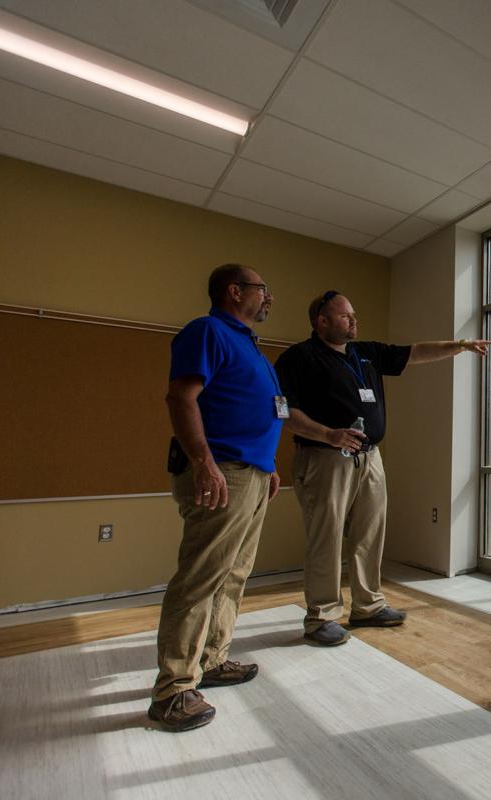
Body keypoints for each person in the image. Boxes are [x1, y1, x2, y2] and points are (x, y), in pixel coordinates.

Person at [274, 291, 491, 646]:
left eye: (354, 314)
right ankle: (321, 617)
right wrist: (328, 434)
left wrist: (461, 345)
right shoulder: (298, 358)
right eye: (345, 316)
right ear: (322, 321)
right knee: (326, 538)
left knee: (369, 534)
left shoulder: (366, 353)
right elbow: (285, 413)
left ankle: (367, 607)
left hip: (370, 457)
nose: (353, 321)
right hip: (325, 458)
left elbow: (415, 352)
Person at [148, 264, 285, 732]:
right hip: (221, 471)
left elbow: (264, 412)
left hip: (251, 474)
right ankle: (172, 692)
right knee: (202, 577)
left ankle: (211, 659)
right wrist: (204, 463)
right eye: (262, 289)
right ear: (235, 291)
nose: (269, 297)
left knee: (234, 573)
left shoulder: (250, 345)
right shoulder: (206, 331)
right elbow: (180, 398)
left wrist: (268, 463)